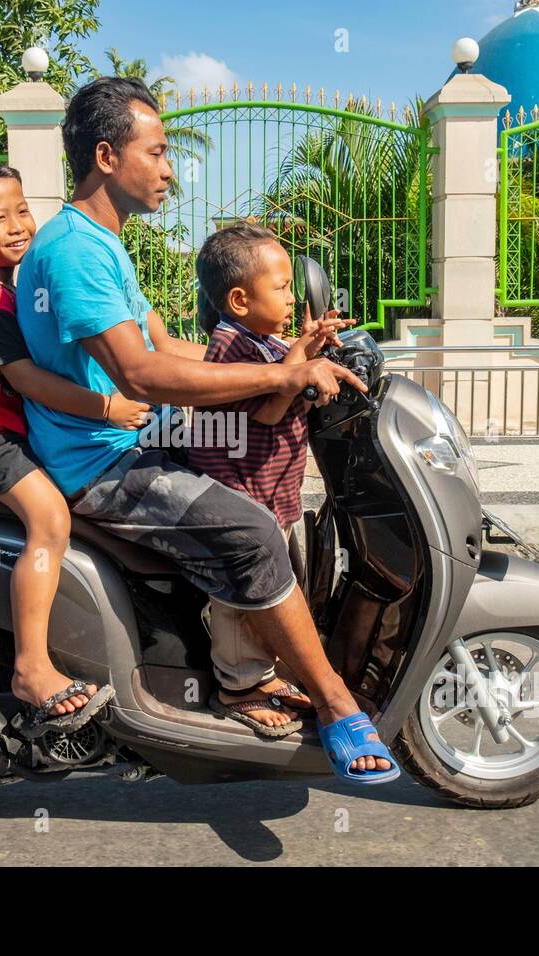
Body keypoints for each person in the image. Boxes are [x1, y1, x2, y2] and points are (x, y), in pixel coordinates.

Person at [14, 77, 401, 783]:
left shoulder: (104, 244)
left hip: (141, 440)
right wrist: (278, 379)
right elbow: (142, 376)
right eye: (157, 152)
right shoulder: (74, 251)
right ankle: (333, 703)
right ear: (107, 155)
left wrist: (292, 356)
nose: (169, 169)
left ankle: (242, 665)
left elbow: (176, 353)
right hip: (103, 463)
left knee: (266, 503)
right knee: (252, 529)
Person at [0, 160, 149, 736]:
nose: (17, 226)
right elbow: (27, 380)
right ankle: (31, 667)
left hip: (21, 433)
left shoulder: (17, 285)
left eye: (23, 210)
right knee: (51, 519)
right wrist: (108, 407)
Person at [186, 223, 351, 737]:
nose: (289, 298)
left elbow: (283, 368)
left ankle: (264, 671)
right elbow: (266, 411)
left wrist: (307, 343)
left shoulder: (257, 340)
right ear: (238, 299)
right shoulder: (230, 345)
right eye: (279, 289)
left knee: (272, 587)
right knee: (241, 597)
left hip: (268, 491)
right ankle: (239, 684)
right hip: (241, 495)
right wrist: (298, 379)